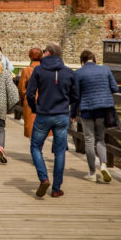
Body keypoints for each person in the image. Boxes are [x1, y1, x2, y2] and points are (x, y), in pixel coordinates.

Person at [26, 42, 78, 198]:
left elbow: (30, 93)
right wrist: (71, 112)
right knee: (60, 151)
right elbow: (75, 96)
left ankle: (44, 178)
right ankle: (56, 188)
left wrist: (34, 108)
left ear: (47, 53)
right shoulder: (69, 72)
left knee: (35, 147)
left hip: (43, 114)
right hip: (62, 115)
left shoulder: (39, 70)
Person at [72, 50, 118, 184]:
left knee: (89, 140)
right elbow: (115, 88)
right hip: (104, 109)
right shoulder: (106, 70)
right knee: (100, 139)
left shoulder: (79, 73)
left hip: (87, 110)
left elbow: (76, 96)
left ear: (82, 61)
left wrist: (73, 114)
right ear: (94, 59)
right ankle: (103, 164)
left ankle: (92, 172)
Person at [17, 48, 43, 139]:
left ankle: (35, 148)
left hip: (30, 101)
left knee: (30, 126)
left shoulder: (27, 70)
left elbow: (21, 87)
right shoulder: (46, 69)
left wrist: (23, 97)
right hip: (44, 100)